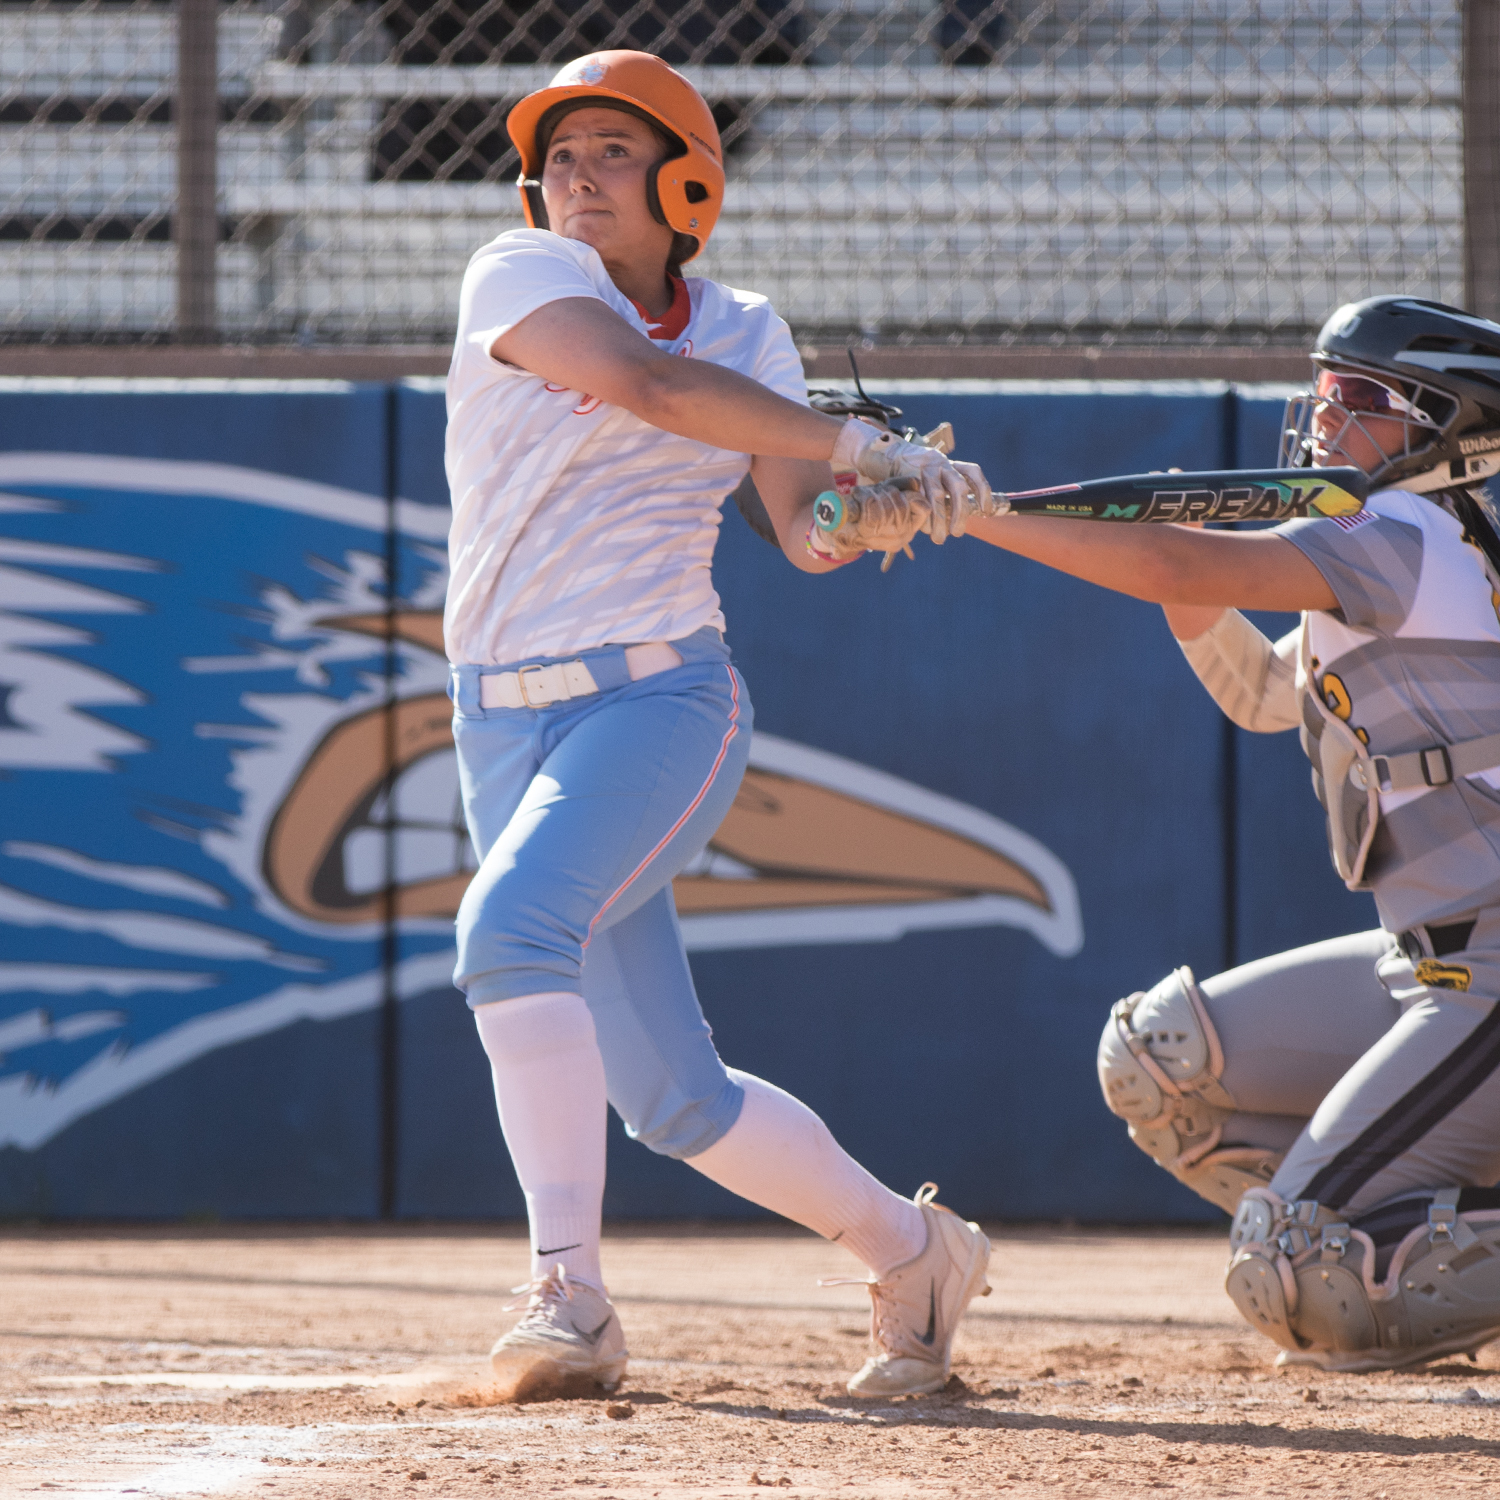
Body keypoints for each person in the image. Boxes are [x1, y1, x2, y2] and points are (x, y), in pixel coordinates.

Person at [444, 49, 994, 1400]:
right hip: (495, 715)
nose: (575, 177)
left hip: (658, 697)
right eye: (560, 156)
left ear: (687, 183)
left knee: (510, 936)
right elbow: (656, 390)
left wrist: (878, 513)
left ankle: (567, 1300)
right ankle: (917, 1251)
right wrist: (867, 449)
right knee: (673, 1102)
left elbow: (800, 531)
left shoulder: (748, 327)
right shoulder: (521, 278)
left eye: (612, 155)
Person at [962, 295, 1500, 1371]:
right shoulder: (1413, 548)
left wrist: (969, 510)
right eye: (1325, 392)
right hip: (1431, 963)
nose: (1322, 419)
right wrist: (1194, 578)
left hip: (1488, 966)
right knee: (1161, 1066)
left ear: (1440, 426)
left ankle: (1346, 1247)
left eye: (1355, 401)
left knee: (1295, 1265)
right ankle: (1387, 1231)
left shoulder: (1407, 535)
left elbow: (1175, 567)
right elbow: (1259, 693)